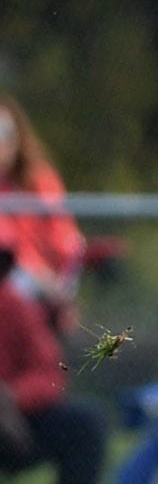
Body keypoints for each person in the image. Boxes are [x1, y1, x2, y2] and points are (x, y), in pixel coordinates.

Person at [0, 219, 107, 484]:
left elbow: (49, 375)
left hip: (13, 420)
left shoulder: (11, 303)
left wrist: (11, 398)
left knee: (84, 425)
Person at [0, 91, 87, 334]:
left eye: (5, 132)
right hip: (15, 289)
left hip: (46, 295)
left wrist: (60, 288)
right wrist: (36, 276)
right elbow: (9, 249)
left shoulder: (40, 181)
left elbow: (66, 240)